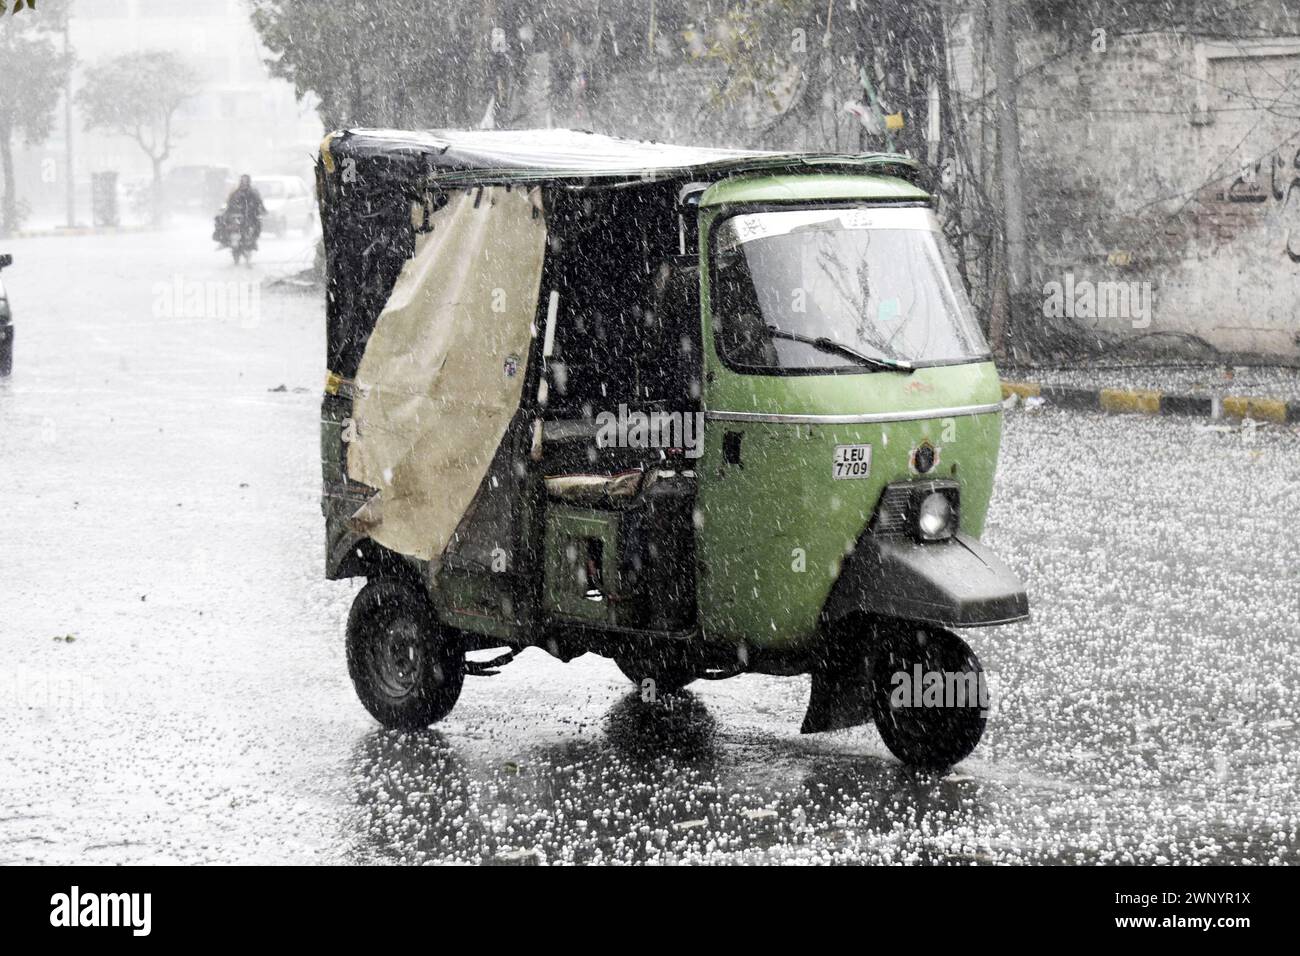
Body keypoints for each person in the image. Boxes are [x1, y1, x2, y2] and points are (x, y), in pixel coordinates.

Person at [222, 175, 265, 248]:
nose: (244, 183)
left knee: (256, 224)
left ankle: (252, 242)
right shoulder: (236, 192)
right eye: (243, 181)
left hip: (248, 215)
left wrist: (260, 209)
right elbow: (229, 202)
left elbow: (258, 202)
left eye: (245, 181)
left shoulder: (252, 192)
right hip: (239, 215)